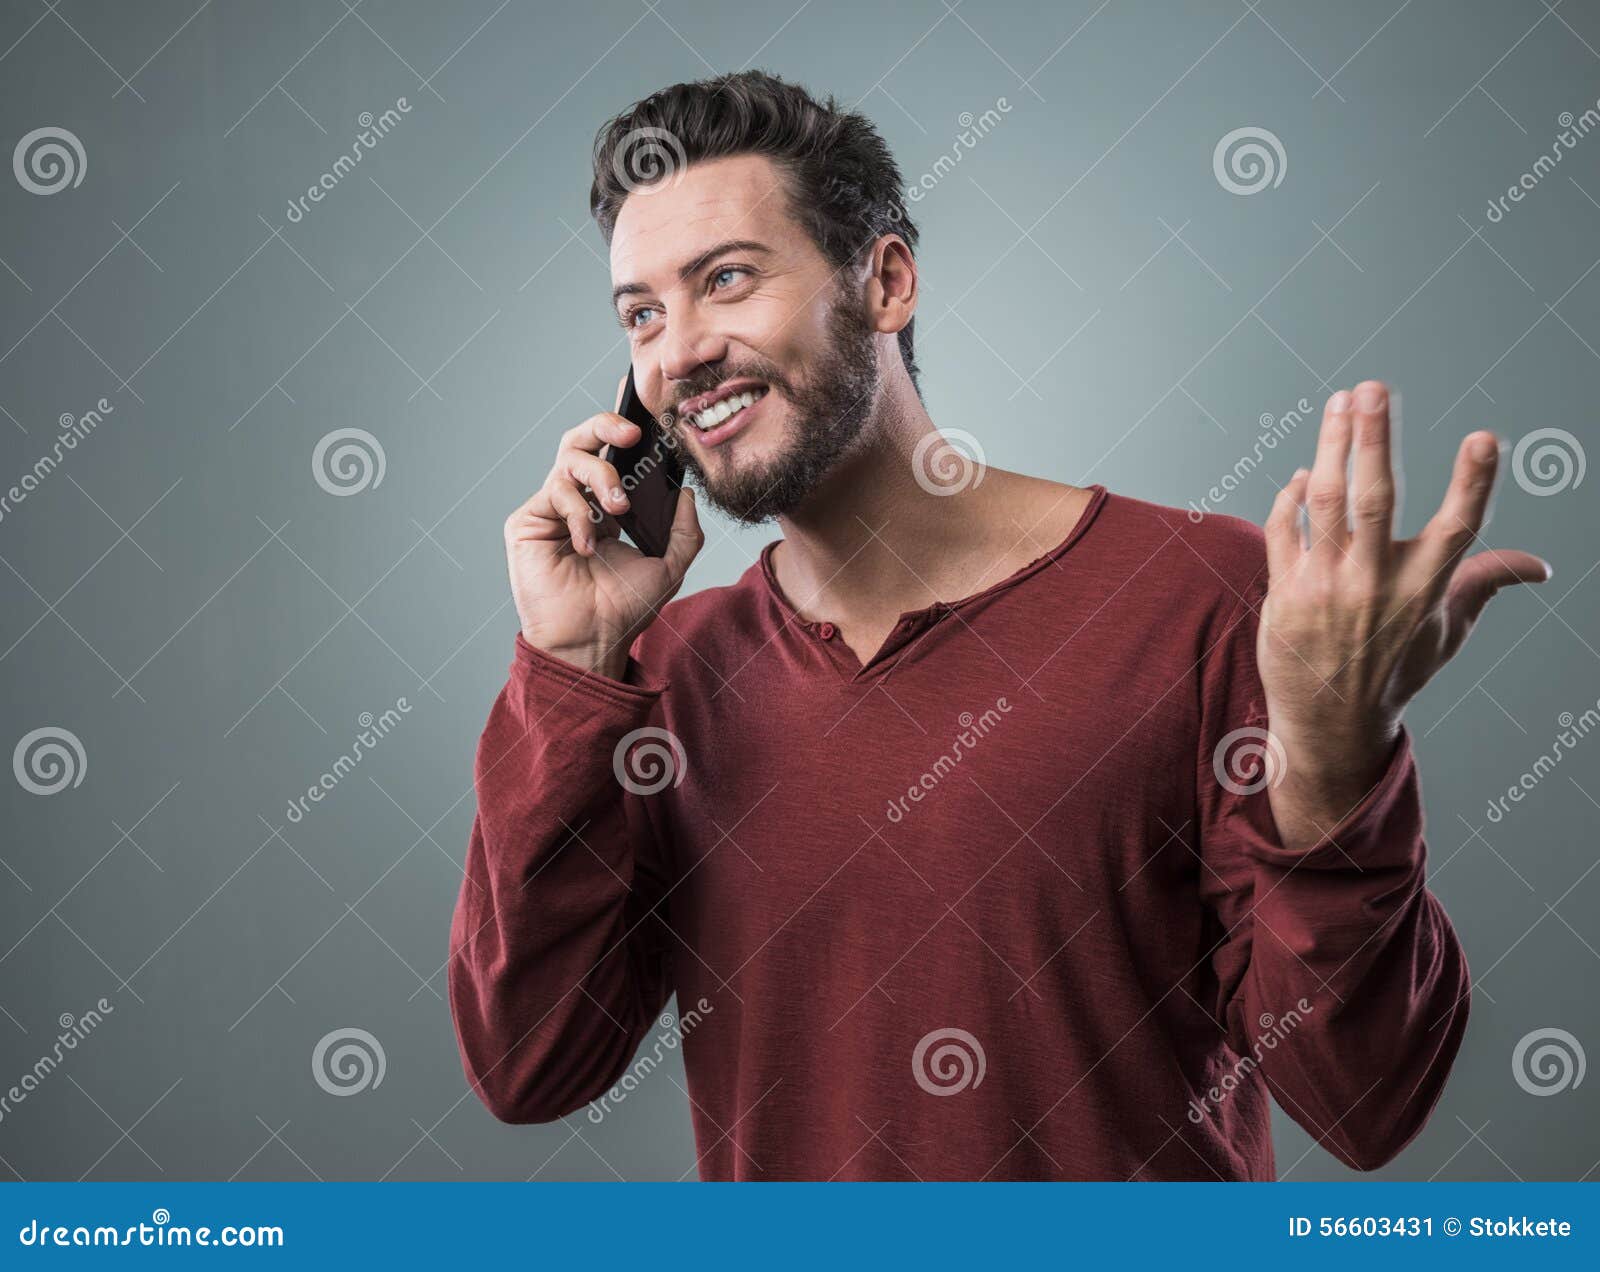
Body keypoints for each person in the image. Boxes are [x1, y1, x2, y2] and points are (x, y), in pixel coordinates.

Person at [447, 71, 1550, 1180]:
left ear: (883, 281)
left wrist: (1330, 764)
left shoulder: (1206, 600)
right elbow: (532, 1066)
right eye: (642, 313)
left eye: (725, 279)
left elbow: (1368, 1100)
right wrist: (569, 668)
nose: (677, 351)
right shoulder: (662, 680)